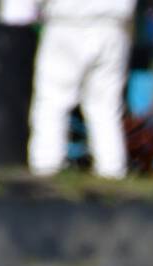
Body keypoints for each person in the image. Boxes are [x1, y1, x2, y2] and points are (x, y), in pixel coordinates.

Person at [27, 0, 138, 180]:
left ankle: (45, 167)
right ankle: (112, 170)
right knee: (105, 108)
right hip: (112, 27)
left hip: (66, 24)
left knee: (52, 102)